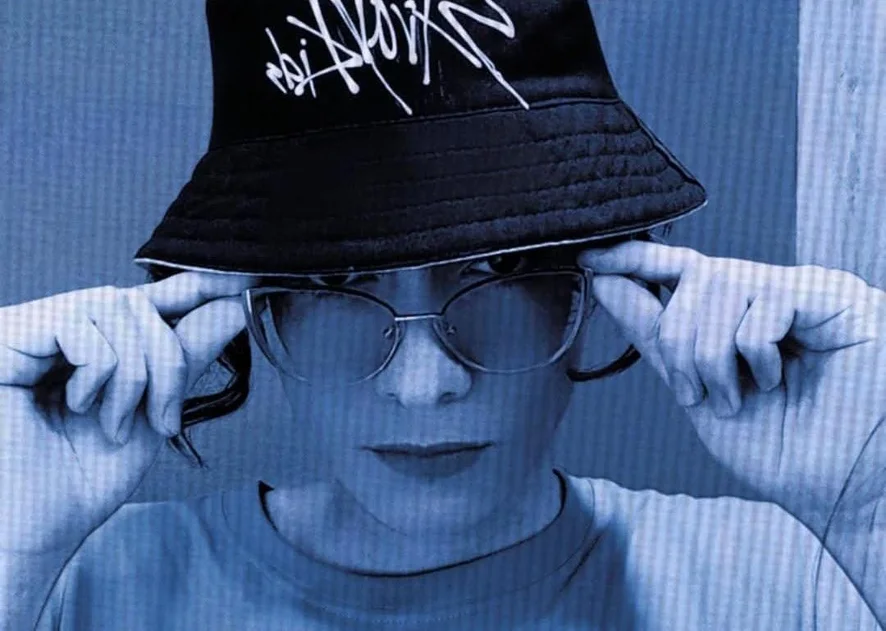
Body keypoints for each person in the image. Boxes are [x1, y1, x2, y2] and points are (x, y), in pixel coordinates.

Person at [1, 0, 884, 629]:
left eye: (499, 272)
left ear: (591, 286)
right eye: (338, 282)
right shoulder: (77, 587)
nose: (425, 385)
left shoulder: (796, 586)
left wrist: (873, 517)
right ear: (255, 308)